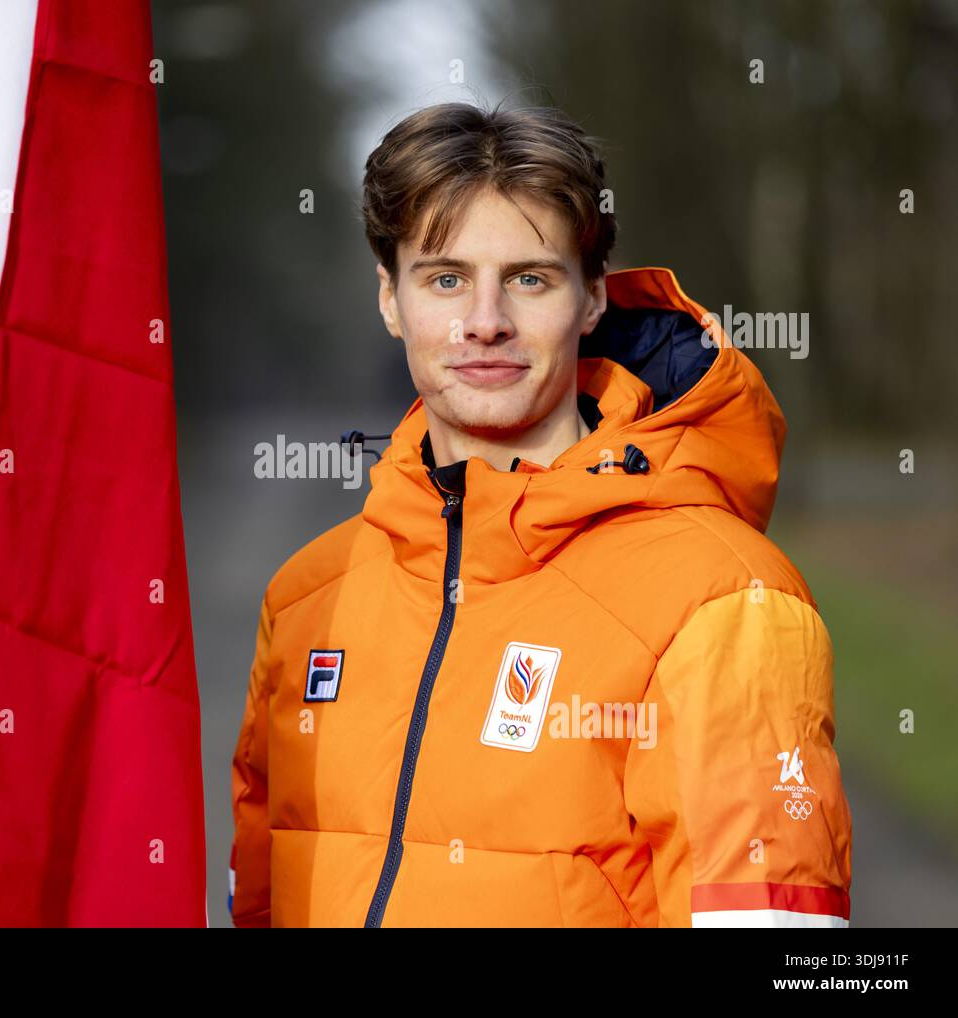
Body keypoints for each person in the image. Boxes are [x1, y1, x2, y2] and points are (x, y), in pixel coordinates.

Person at [228, 99, 853, 927]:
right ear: (391, 299)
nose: (485, 323)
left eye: (529, 278)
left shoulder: (724, 602)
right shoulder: (307, 598)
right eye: (445, 278)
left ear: (592, 299)